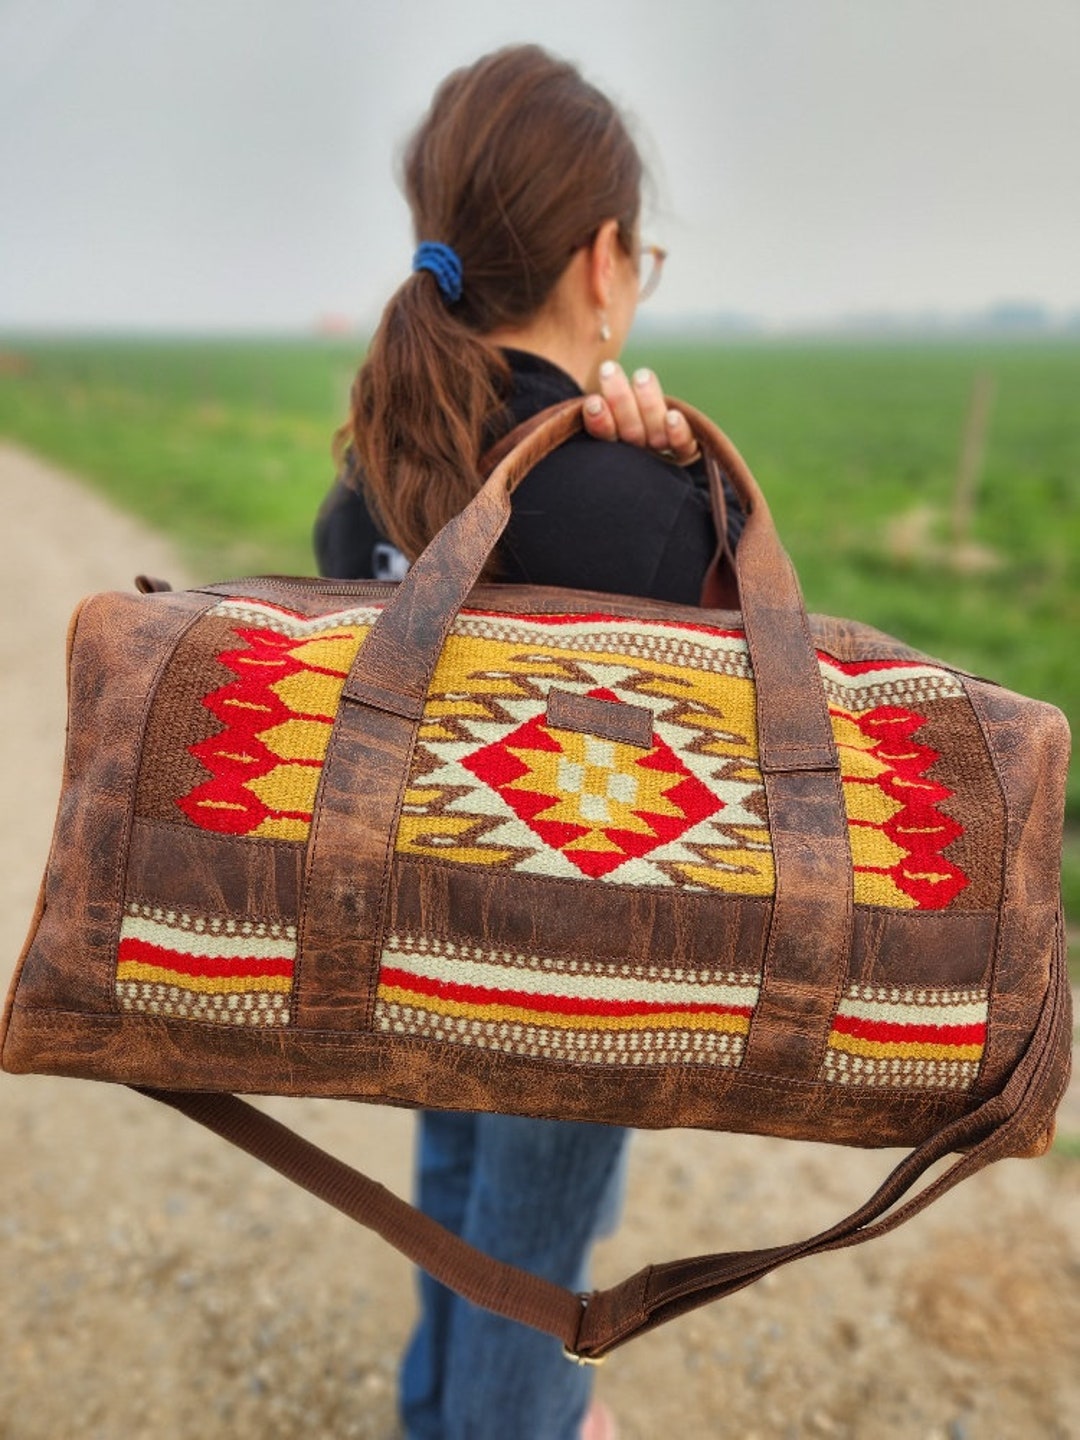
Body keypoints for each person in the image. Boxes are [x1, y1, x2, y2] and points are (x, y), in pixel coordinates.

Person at [314, 44, 742, 1440]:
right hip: (578, 980)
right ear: (601, 258)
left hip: (401, 941)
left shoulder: (368, 477)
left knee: (447, 1205)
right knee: (531, 1264)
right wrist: (687, 486)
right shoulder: (649, 509)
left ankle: (437, 1414)